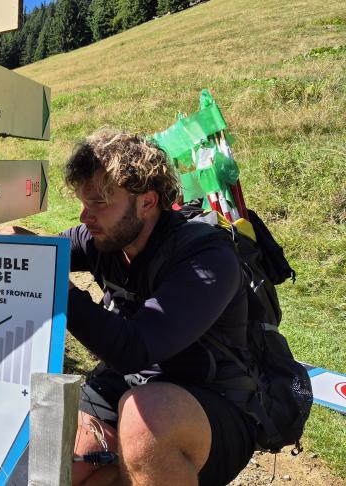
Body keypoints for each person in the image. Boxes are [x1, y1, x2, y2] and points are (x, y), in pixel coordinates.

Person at [61, 129, 256, 485]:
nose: (84, 216)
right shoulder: (103, 238)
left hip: (213, 398)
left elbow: (133, 350)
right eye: (83, 202)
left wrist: (57, 287)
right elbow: (43, 252)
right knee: (65, 459)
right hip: (130, 384)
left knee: (145, 422)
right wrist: (8, 247)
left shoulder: (206, 257)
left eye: (99, 203)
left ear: (147, 202)